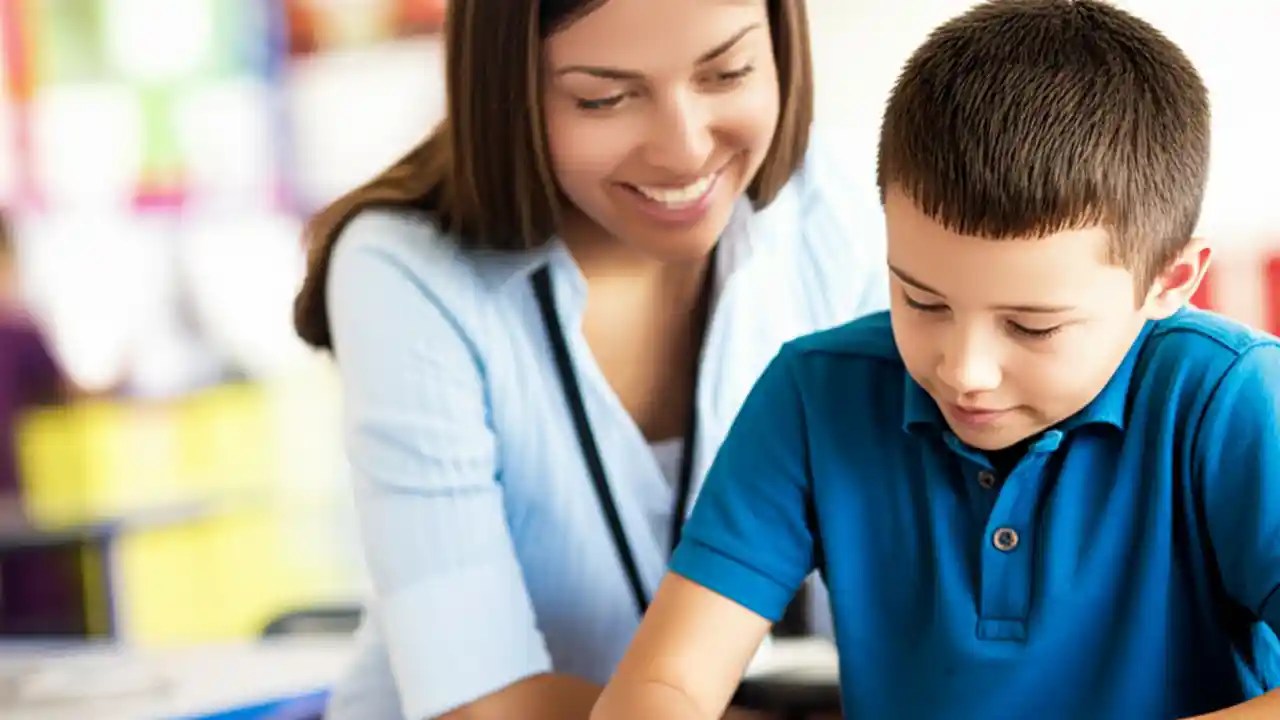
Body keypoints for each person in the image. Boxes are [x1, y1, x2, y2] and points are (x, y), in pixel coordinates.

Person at [592, 1, 1280, 719]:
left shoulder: (1229, 398)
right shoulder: (814, 396)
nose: (964, 371)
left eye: (1032, 326)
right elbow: (667, 680)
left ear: (1170, 282)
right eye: (921, 301)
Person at [291, 0, 887, 718]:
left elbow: (890, 585)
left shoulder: (836, 208)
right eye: (603, 98)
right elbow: (479, 703)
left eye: (728, 73)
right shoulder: (403, 270)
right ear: (509, 93)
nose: (685, 149)